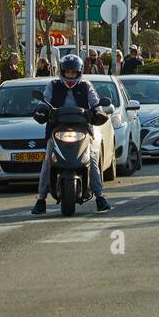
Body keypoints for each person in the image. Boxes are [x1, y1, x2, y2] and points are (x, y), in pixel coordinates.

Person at [31, 53, 111, 216]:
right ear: (62, 71)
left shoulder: (86, 86)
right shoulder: (53, 85)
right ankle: (41, 200)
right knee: (47, 160)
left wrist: (98, 112)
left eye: (73, 73)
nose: (70, 76)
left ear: (79, 72)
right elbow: (44, 101)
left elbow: (95, 103)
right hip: (57, 128)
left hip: (82, 129)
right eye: (67, 72)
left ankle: (100, 197)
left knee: (92, 158)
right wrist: (41, 110)